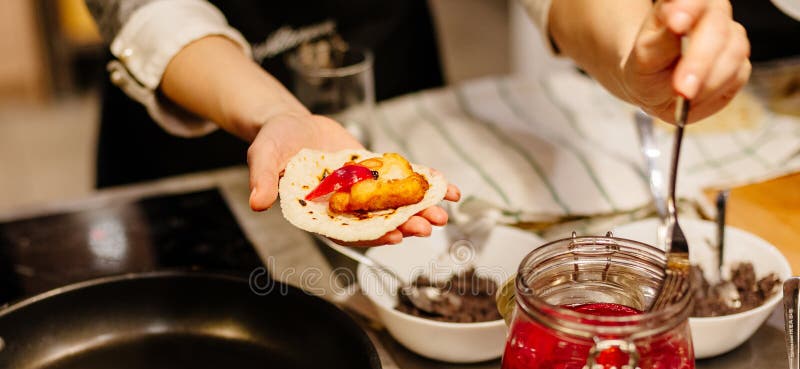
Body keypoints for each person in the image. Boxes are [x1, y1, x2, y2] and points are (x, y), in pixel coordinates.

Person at [84, 0, 750, 245]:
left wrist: (634, 57)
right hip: (187, 146)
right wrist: (278, 113)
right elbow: (148, 10)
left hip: (387, 91)